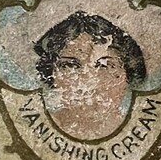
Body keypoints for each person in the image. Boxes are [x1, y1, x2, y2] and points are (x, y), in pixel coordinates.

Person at [34, 10, 147, 141]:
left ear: (128, 74)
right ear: (52, 74)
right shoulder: (38, 133)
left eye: (104, 66)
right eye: (70, 66)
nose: (87, 79)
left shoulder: (138, 132)